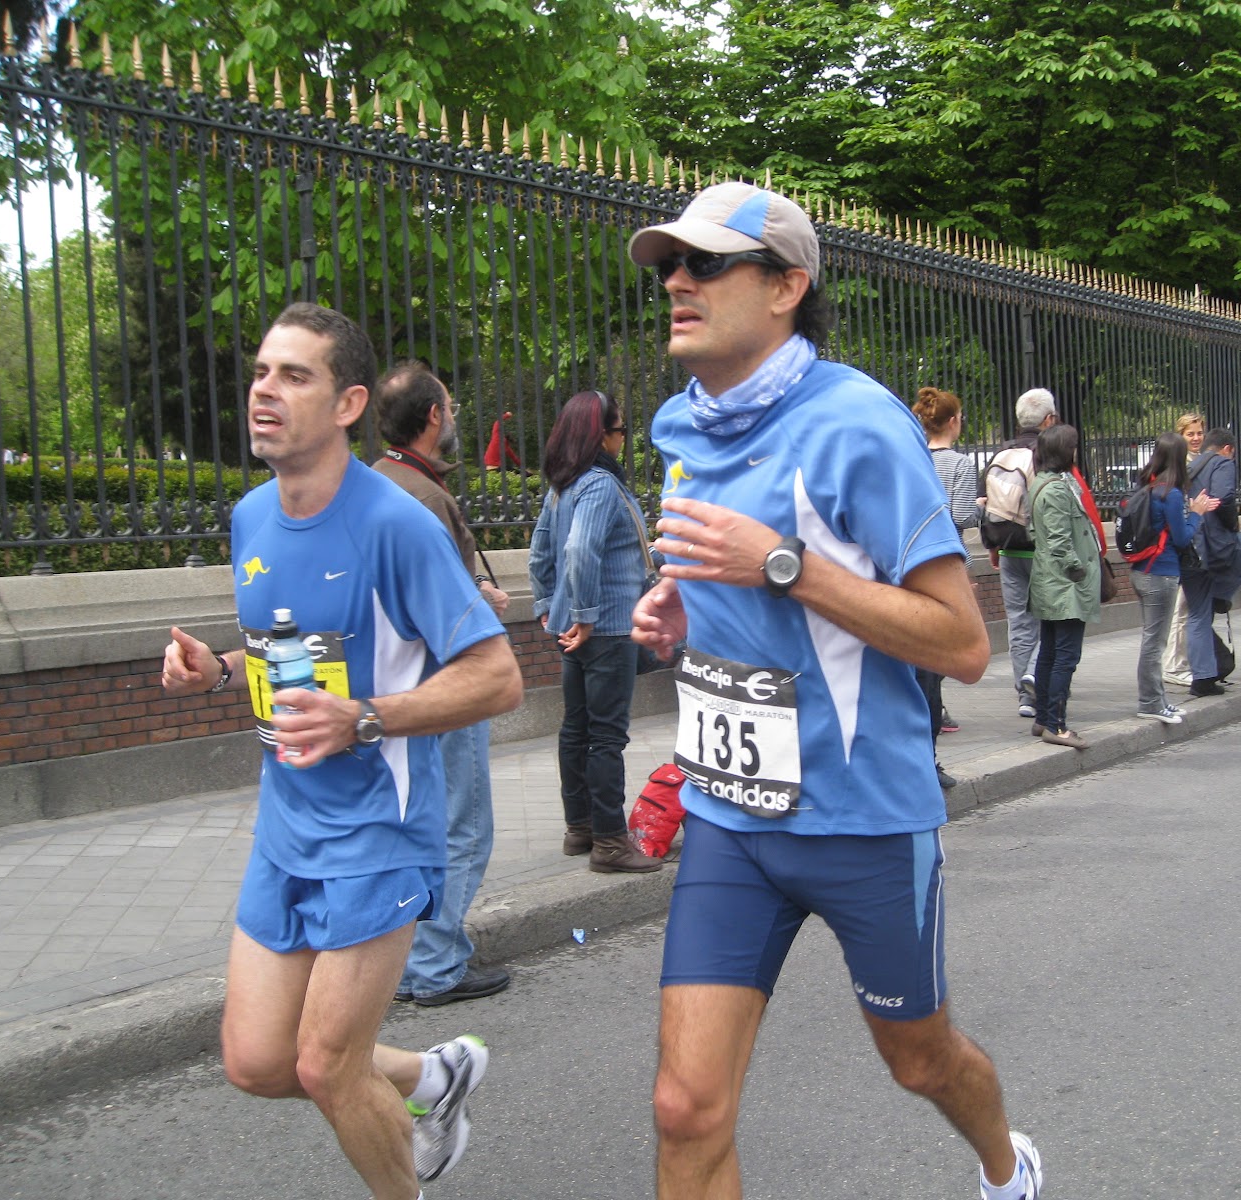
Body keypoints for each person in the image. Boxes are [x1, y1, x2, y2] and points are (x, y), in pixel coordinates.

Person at [627, 182, 1042, 1200]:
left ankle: (1005, 1164)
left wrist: (780, 568)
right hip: (732, 814)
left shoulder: (857, 423)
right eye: (669, 266)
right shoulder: (679, 429)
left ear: (784, 287)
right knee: (686, 1106)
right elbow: (729, 573)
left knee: (919, 1059)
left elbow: (962, 644)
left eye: (705, 264)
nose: (676, 281)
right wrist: (680, 605)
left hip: (860, 817)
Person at [159, 303, 524, 1198]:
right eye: (260, 372)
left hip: (378, 830)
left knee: (326, 1065)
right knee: (255, 1061)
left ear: (350, 401)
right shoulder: (251, 517)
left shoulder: (395, 525)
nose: (264, 392)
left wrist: (365, 720)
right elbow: (297, 654)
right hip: (287, 824)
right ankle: (436, 1078)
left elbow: (497, 677)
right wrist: (217, 669)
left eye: (294, 376)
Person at [372, 361, 514, 1005]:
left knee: (413, 824)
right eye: (449, 406)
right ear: (433, 417)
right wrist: (479, 605)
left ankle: (402, 961)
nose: (453, 415)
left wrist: (471, 590)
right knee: (463, 825)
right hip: (447, 684)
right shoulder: (428, 497)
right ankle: (434, 964)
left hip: (392, 684)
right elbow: (445, 617)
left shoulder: (373, 482)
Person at [529, 389, 661, 874]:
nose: (624, 439)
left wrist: (549, 607)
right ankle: (610, 841)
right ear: (601, 435)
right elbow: (579, 550)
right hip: (604, 628)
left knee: (576, 729)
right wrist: (583, 614)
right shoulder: (602, 484)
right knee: (607, 736)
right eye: (621, 430)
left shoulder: (564, 485)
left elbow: (540, 551)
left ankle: (579, 827)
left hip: (576, 630)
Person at [913, 385, 981, 787]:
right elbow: (959, 514)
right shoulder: (959, 464)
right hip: (945, 560)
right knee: (935, 665)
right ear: (954, 420)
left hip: (910, 562)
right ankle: (930, 762)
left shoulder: (915, 456)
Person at [1128, 433, 1219, 724]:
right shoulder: (1173, 493)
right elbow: (1182, 538)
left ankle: (1158, 700)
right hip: (1162, 573)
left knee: (1152, 640)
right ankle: (1150, 702)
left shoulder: (1148, 487)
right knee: (1155, 643)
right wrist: (1196, 514)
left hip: (1141, 571)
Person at [981, 387, 1058, 720]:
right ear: (1049, 419)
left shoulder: (1000, 454)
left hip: (1009, 549)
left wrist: (994, 548)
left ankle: (1023, 696)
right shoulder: (1046, 453)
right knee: (1051, 622)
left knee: (1019, 623)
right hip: (1040, 551)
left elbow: (987, 503)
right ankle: (1036, 681)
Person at [1025, 423, 1100, 749]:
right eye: (1072, 446)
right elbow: (1058, 540)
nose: (1076, 451)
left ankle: (1043, 719)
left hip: (1050, 581)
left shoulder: (1044, 483)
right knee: (1065, 657)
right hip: (1064, 584)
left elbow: (1033, 532)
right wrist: (1078, 570)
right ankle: (1057, 725)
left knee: (1050, 652)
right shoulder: (1056, 489)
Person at [1182, 428, 1241, 697]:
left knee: (1198, 615)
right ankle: (1222, 593)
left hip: (1188, 548)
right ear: (1228, 449)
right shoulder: (1223, 463)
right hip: (1214, 547)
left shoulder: (1188, 467)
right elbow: (1224, 498)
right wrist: (1232, 524)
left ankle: (1203, 679)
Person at [1160, 411, 1206, 687]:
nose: (1196, 438)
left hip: (1198, 538)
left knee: (1193, 607)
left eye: (1199, 432)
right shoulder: (1181, 466)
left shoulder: (1201, 461)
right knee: (1182, 606)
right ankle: (1174, 664)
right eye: (1191, 434)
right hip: (1185, 539)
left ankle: (1187, 660)